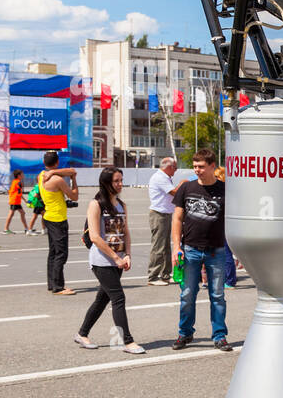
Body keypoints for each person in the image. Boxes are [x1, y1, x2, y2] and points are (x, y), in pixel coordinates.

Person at [74, 167, 145, 354]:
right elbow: (96, 237)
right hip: (102, 261)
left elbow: (126, 232)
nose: (120, 184)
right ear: (106, 183)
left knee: (102, 299)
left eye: (121, 180)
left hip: (119, 261)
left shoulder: (121, 204)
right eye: (116, 181)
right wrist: (115, 257)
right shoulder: (96, 205)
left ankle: (82, 334)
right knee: (118, 298)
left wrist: (127, 254)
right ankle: (128, 341)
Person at [171, 148, 230, 351]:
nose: (197, 170)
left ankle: (220, 336)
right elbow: (177, 218)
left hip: (217, 251)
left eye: (201, 166)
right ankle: (185, 333)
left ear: (213, 166)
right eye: (195, 166)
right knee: (187, 294)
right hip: (190, 250)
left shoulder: (225, 189)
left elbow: (233, 220)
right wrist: (176, 247)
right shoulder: (186, 188)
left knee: (217, 296)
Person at [38, 151, 79, 295]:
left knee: (53, 252)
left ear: (45, 163)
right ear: (57, 162)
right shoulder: (57, 180)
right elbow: (74, 196)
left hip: (48, 216)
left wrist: (54, 171)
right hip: (58, 219)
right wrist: (74, 180)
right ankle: (58, 286)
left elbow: (71, 171)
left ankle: (52, 283)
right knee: (61, 253)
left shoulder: (42, 175)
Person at [146, 156, 178, 285]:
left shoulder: (165, 177)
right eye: (175, 167)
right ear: (169, 167)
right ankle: (153, 276)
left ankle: (165, 274)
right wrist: (184, 184)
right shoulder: (160, 177)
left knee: (165, 247)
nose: (175, 170)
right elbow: (174, 192)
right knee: (158, 246)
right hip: (159, 215)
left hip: (165, 214)